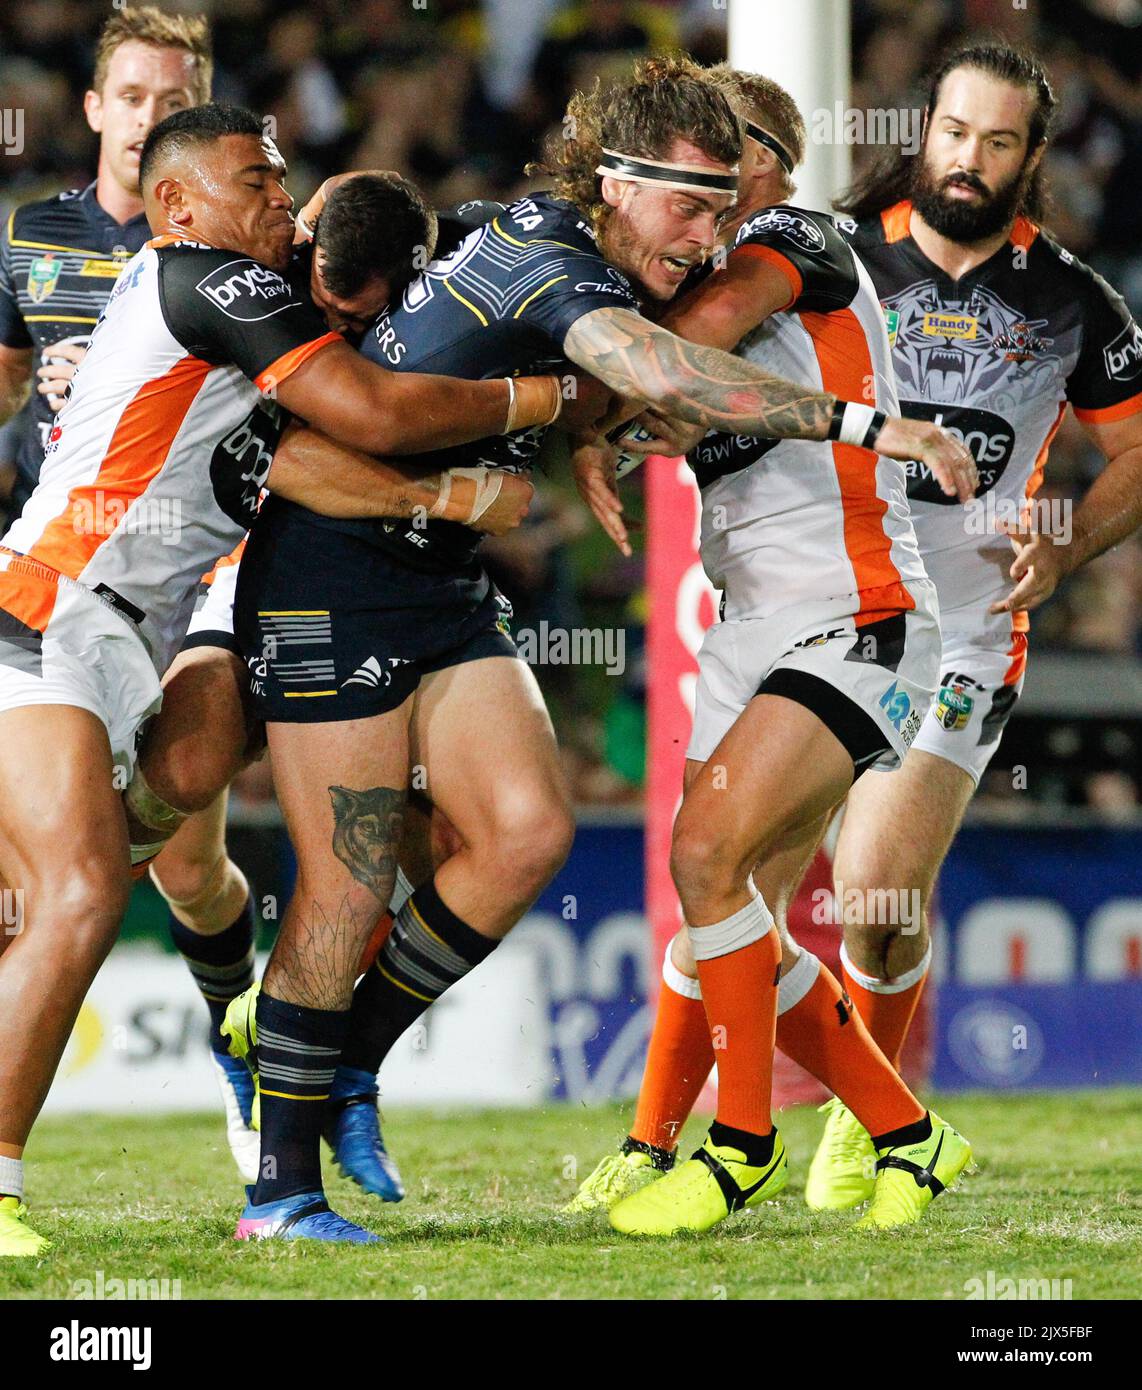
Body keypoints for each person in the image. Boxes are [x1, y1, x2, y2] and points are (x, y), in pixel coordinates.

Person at [218, 54, 975, 1245]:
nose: (716, 233)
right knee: (387, 878)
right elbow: (642, 365)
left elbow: (640, 359)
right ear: (613, 183)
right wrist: (857, 424)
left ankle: (712, 1139)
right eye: (695, 203)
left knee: (593, 845)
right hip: (336, 584)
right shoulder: (565, 258)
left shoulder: (744, 243)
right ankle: (284, 1185)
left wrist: (584, 431)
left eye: (735, 204)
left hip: (768, 604)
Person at [0, 101, 563, 1257]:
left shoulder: (244, 305)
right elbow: (372, 413)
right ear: (178, 203)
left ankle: (290, 1060)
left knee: (188, 777)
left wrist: (438, 498)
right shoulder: (210, 280)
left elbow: (305, 455)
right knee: (78, 894)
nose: (277, 199)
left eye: (279, 178)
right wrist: (546, 400)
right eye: (255, 180)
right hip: (52, 607)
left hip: (130, 628)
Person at [562, 64, 974, 1237]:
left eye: (714, 165)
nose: (696, 199)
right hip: (756, 618)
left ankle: (739, 1145)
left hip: (853, 613)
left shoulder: (796, 230)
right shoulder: (729, 250)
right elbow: (657, 395)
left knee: (704, 859)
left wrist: (612, 389)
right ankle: (876, 1132)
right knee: (723, 896)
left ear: (760, 158)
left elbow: (688, 345)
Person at [805, 41, 1142, 1206]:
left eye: (997, 141)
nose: (968, 158)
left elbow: (1137, 448)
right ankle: (696, 1138)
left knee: (875, 902)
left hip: (959, 633)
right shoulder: (833, 261)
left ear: (1029, 156)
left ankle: (863, 1109)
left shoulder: (1068, 301)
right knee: (721, 875)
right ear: (922, 129)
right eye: (953, 131)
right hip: (820, 611)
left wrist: (1066, 543)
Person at [149, 175, 514, 1195]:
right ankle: (248, 1035)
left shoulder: (439, 260)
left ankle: (336, 1069)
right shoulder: (233, 281)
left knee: (453, 847)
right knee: (180, 824)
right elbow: (354, 426)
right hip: (211, 575)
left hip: (361, 586)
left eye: (368, 312)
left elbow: (377, 201)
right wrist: (521, 416)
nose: (344, 322)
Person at [0, 7, 212, 520]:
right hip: (38, 532)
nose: (148, 118)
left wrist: (108, 387)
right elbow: (8, 376)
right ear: (95, 109)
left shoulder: (223, 250)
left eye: (173, 102)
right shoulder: (29, 231)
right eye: (131, 97)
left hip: (168, 540)